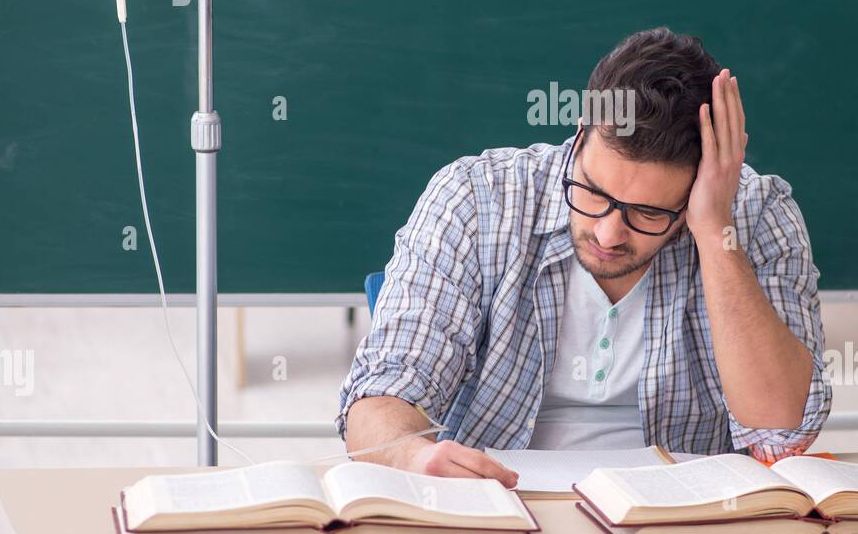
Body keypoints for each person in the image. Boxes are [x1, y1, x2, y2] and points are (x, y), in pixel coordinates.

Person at [335, 27, 830, 487]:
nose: (608, 232)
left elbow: (779, 432)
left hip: (684, 518)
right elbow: (380, 393)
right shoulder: (474, 198)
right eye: (592, 191)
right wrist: (413, 458)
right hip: (500, 508)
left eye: (648, 212)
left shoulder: (758, 214)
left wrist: (714, 229)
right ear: (579, 134)